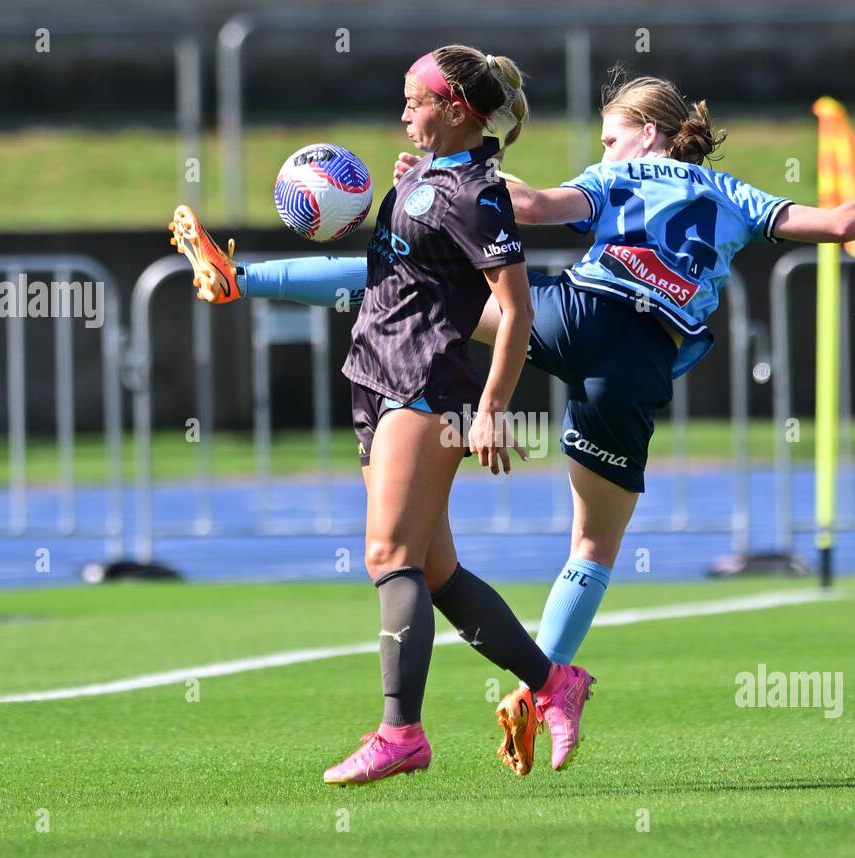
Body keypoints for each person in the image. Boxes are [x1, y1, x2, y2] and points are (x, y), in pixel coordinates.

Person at [170, 45, 597, 784]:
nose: (403, 114)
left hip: (428, 386)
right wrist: (244, 277)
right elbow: (371, 279)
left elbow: (517, 311)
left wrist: (494, 407)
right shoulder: (422, 176)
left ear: (456, 108)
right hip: (374, 376)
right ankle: (556, 683)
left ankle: (402, 732)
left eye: (416, 101)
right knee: (436, 572)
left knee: (386, 558)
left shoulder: (478, 194)